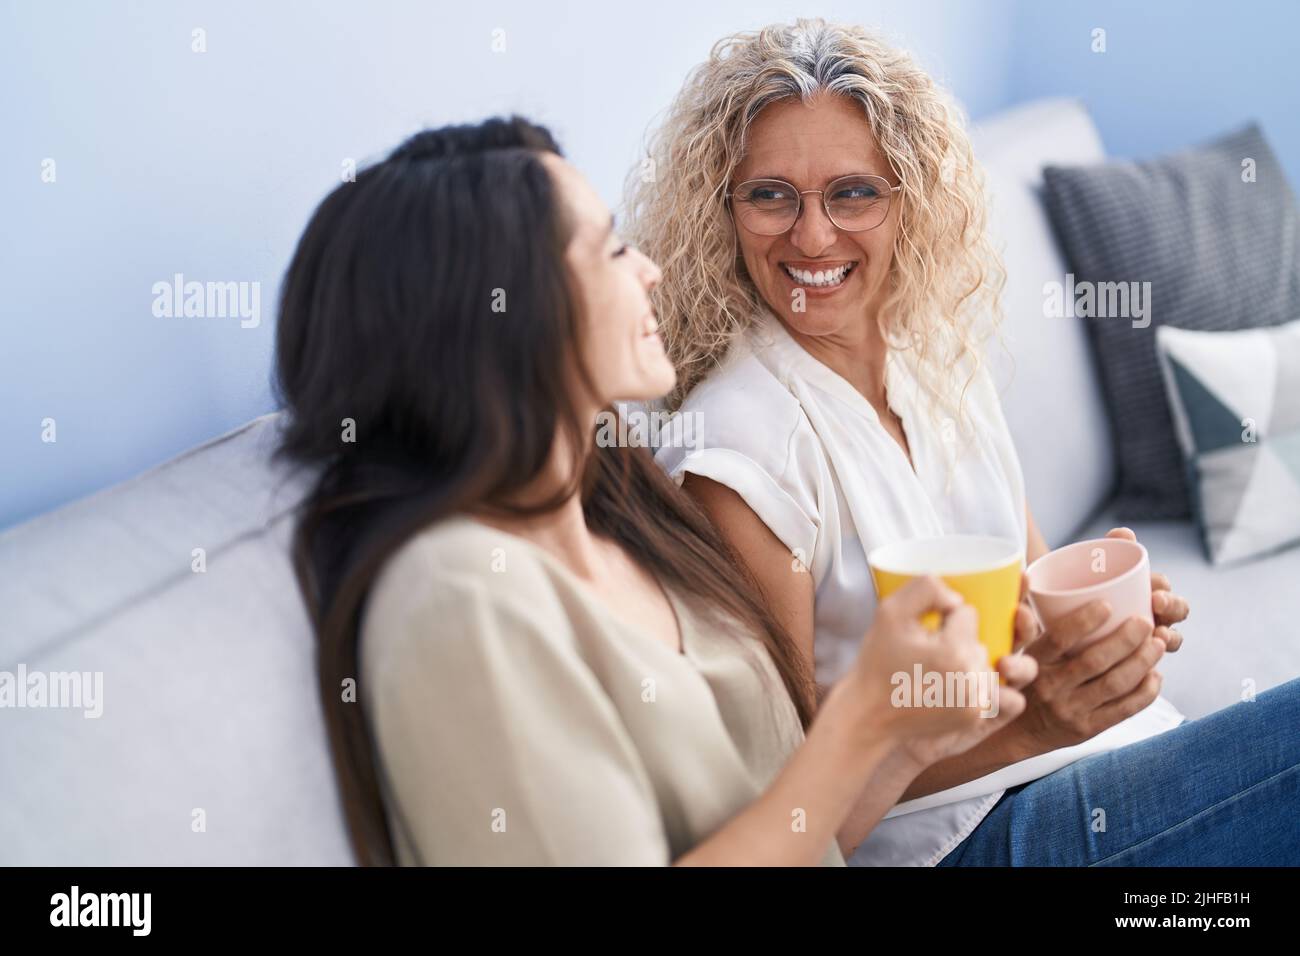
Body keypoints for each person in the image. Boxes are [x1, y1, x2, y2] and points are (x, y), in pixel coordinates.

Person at [270, 116, 1036, 865]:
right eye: (607, 248)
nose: (650, 269)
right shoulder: (461, 594)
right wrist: (862, 722)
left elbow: (800, 829)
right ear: (495, 308)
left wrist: (905, 742)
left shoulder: (629, 511)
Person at [633, 18, 1300, 865]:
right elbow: (793, 809)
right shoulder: (739, 452)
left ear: (908, 197)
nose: (810, 237)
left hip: (1087, 761)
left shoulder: (933, 359)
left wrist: (1101, 638)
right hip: (961, 836)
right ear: (722, 210)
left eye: (853, 192)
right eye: (770, 195)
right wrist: (1036, 727)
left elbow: (1024, 605)